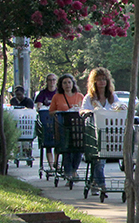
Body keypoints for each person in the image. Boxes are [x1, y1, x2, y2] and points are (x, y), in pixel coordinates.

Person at [80, 67, 124, 195]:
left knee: (100, 160)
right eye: (99, 80)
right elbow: (83, 110)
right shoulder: (90, 98)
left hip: (109, 133)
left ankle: (95, 182)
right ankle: (101, 184)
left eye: (104, 79)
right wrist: (89, 112)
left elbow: (119, 107)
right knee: (98, 160)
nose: (102, 82)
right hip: (94, 132)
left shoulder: (112, 97)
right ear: (94, 82)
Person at [48, 74, 84, 182]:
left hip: (77, 128)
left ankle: (74, 169)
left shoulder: (80, 96)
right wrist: (60, 112)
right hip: (63, 127)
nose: (67, 85)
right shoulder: (57, 97)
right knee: (66, 149)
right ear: (61, 85)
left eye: (69, 82)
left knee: (79, 149)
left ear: (73, 83)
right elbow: (51, 112)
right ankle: (68, 173)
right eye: (64, 83)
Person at [34, 74, 58, 169]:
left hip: (57, 122)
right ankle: (51, 165)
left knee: (58, 144)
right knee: (48, 143)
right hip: (47, 122)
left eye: (53, 80)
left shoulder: (59, 93)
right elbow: (39, 105)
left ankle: (56, 163)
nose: (51, 82)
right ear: (47, 81)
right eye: (49, 80)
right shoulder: (43, 93)